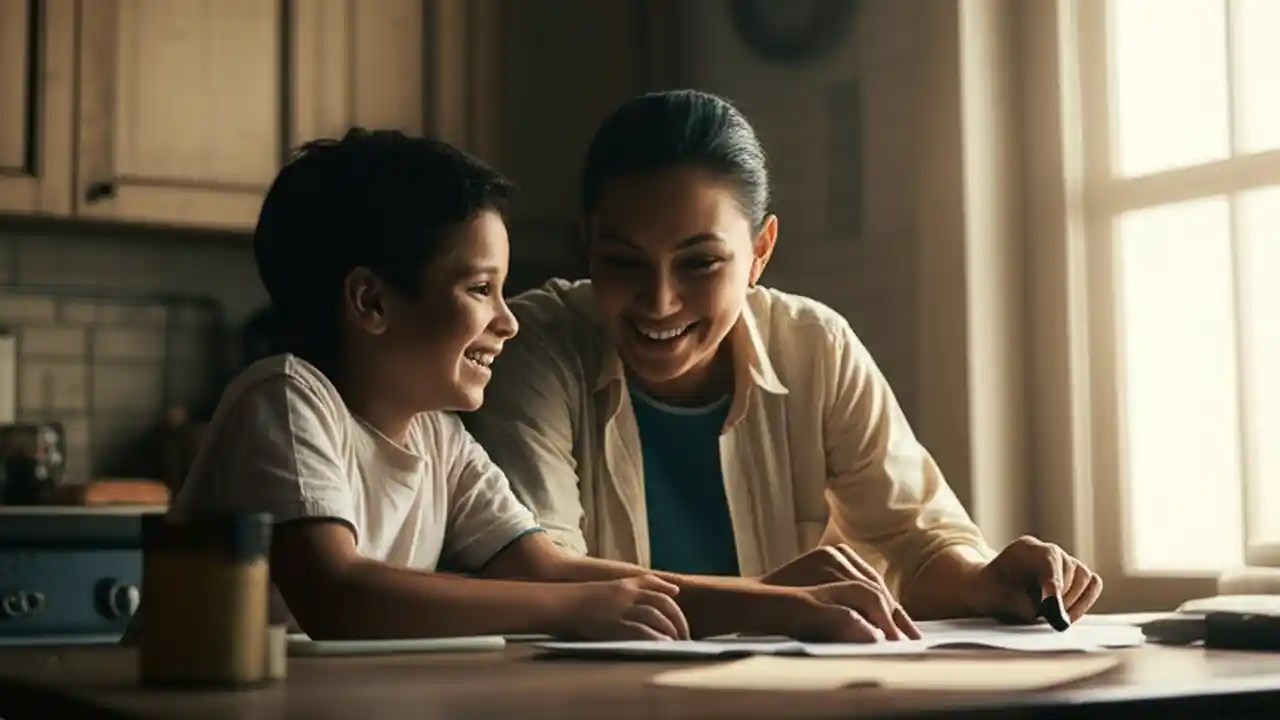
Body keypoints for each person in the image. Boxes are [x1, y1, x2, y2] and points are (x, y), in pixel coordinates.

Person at [162, 127, 922, 643]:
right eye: (480, 289)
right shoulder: (290, 399)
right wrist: (577, 609)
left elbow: (553, 568)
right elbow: (339, 595)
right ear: (370, 302)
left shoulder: (438, 439)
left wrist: (782, 607)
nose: (508, 321)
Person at [463, 90, 1104, 625]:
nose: (659, 302)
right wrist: (774, 602)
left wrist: (982, 580)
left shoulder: (815, 346)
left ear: (761, 251)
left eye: (700, 263)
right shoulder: (534, 346)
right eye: (622, 262)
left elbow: (911, 541)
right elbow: (548, 581)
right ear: (587, 247)